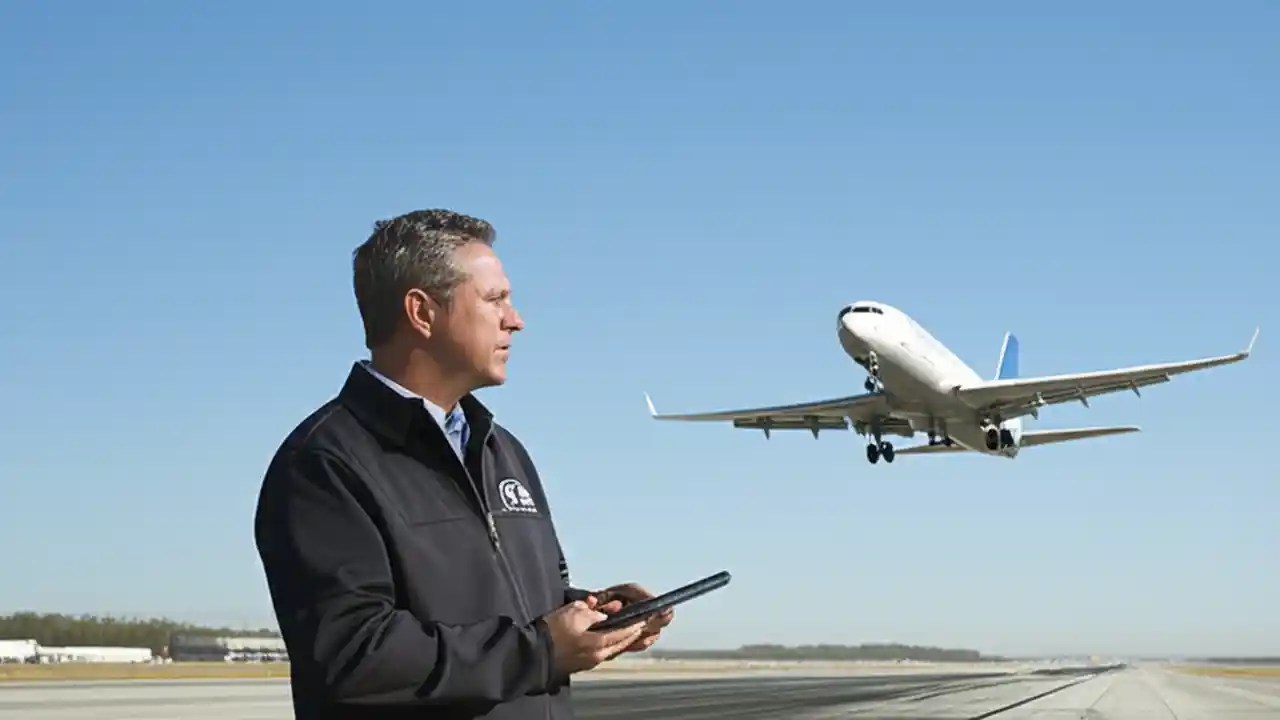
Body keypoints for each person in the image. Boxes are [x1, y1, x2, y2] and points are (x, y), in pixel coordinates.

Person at [254, 208, 673, 719]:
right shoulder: (323, 463)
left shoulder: (503, 450)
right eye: (495, 299)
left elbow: (510, 608)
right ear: (422, 313)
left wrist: (594, 613)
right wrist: (540, 651)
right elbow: (354, 654)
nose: (516, 319)